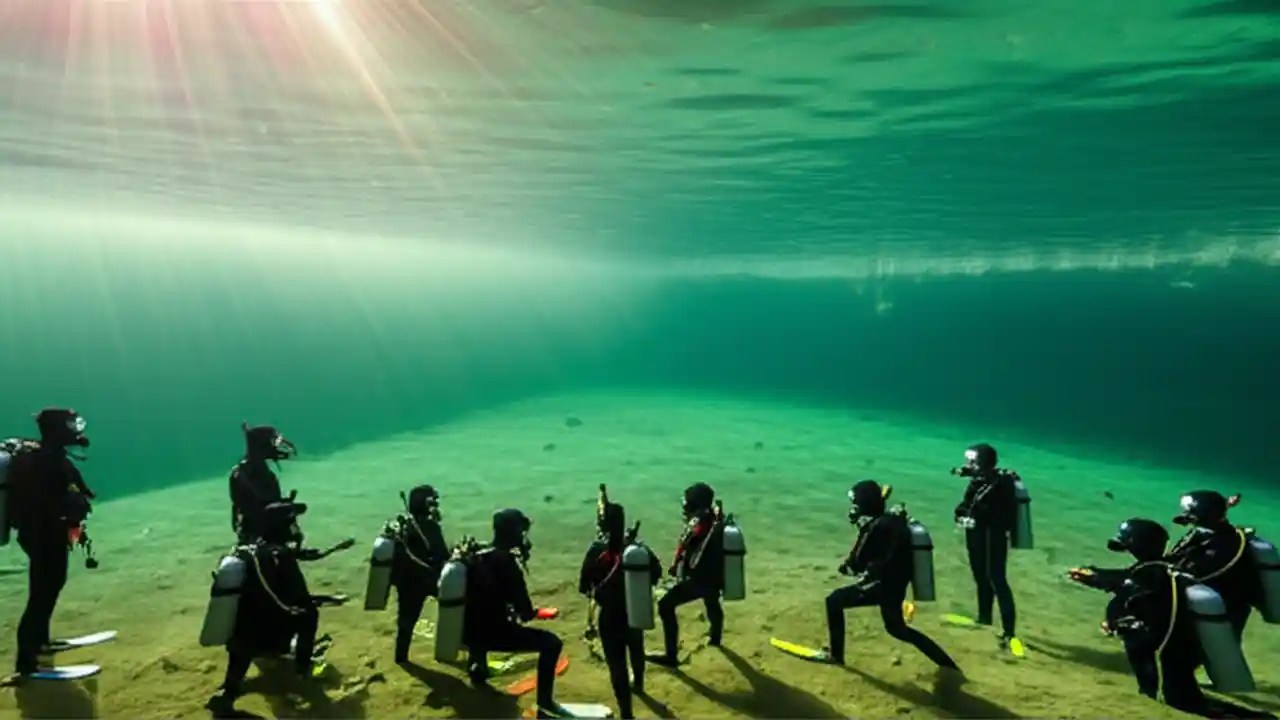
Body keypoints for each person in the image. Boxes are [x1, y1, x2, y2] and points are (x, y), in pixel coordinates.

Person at [208, 499, 352, 714]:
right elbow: (298, 600)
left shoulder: (247, 552)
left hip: (240, 635)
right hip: (269, 634)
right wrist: (326, 599)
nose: (295, 527)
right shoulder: (281, 557)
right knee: (310, 615)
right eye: (292, 523)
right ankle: (302, 670)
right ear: (283, 527)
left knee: (240, 657)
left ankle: (228, 691)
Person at [1069, 518, 1208, 715]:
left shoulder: (1150, 575)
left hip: (1164, 651)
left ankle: (1153, 696)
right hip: (1180, 648)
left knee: (1174, 699)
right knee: (1184, 693)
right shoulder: (1159, 567)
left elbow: (1131, 593)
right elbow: (1124, 578)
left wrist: (1115, 624)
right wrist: (1095, 575)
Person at [821, 480, 958, 670]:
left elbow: (854, 565)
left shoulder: (874, 528)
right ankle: (947, 664)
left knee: (833, 601)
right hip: (895, 586)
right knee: (898, 630)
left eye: (855, 504)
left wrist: (847, 565)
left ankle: (835, 656)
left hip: (881, 586)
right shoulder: (891, 521)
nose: (852, 507)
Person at [3, 408, 97, 680]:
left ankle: (41, 643)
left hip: (46, 533)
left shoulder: (51, 455)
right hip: (42, 533)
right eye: (70, 424)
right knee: (42, 592)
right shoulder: (44, 460)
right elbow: (44, 501)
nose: (76, 429)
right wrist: (68, 510)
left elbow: (71, 488)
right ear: (57, 429)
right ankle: (26, 664)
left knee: (49, 585)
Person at [461, 509, 565, 718]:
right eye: (522, 531)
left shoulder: (474, 557)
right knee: (552, 643)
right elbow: (524, 612)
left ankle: (477, 668)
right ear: (514, 533)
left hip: (467, 634)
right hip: (495, 634)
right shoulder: (507, 563)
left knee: (480, 615)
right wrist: (538, 613)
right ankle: (545, 703)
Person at [578, 485, 662, 719]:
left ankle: (626, 712)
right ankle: (640, 685)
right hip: (634, 611)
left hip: (610, 617)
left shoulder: (597, 548)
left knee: (616, 665)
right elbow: (656, 572)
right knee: (636, 647)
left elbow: (584, 585)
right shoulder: (637, 548)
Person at [647, 483, 725, 668]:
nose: (684, 504)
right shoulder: (715, 517)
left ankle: (670, 656)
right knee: (711, 600)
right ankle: (715, 638)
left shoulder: (698, 521)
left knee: (665, 605)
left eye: (687, 500)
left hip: (701, 579)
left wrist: (675, 567)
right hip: (716, 576)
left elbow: (686, 543)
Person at [1166, 490, 1259, 643]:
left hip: (1216, 615)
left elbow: (1189, 574)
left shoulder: (1216, 546)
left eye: (1189, 513)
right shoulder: (1218, 533)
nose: (1185, 516)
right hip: (1221, 611)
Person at [951, 443, 1018, 645]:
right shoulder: (978, 482)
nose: (968, 465)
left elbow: (1003, 515)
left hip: (993, 536)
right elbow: (965, 506)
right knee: (980, 576)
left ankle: (1009, 631)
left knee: (996, 579)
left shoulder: (1000, 483)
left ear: (984, 463)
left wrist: (976, 518)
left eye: (973, 461)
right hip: (976, 534)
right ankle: (984, 618)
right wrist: (962, 517)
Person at [384, 485, 449, 664]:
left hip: (406, 583)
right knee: (458, 605)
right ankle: (458, 646)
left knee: (406, 622)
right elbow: (441, 554)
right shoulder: (429, 526)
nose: (436, 506)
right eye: (433, 502)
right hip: (428, 579)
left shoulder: (405, 525)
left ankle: (401, 659)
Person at [228, 422, 297, 544]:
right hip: (257, 536)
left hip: (271, 531)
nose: (275, 447)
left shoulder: (263, 472)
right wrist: (283, 507)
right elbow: (260, 502)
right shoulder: (243, 473)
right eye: (271, 442)